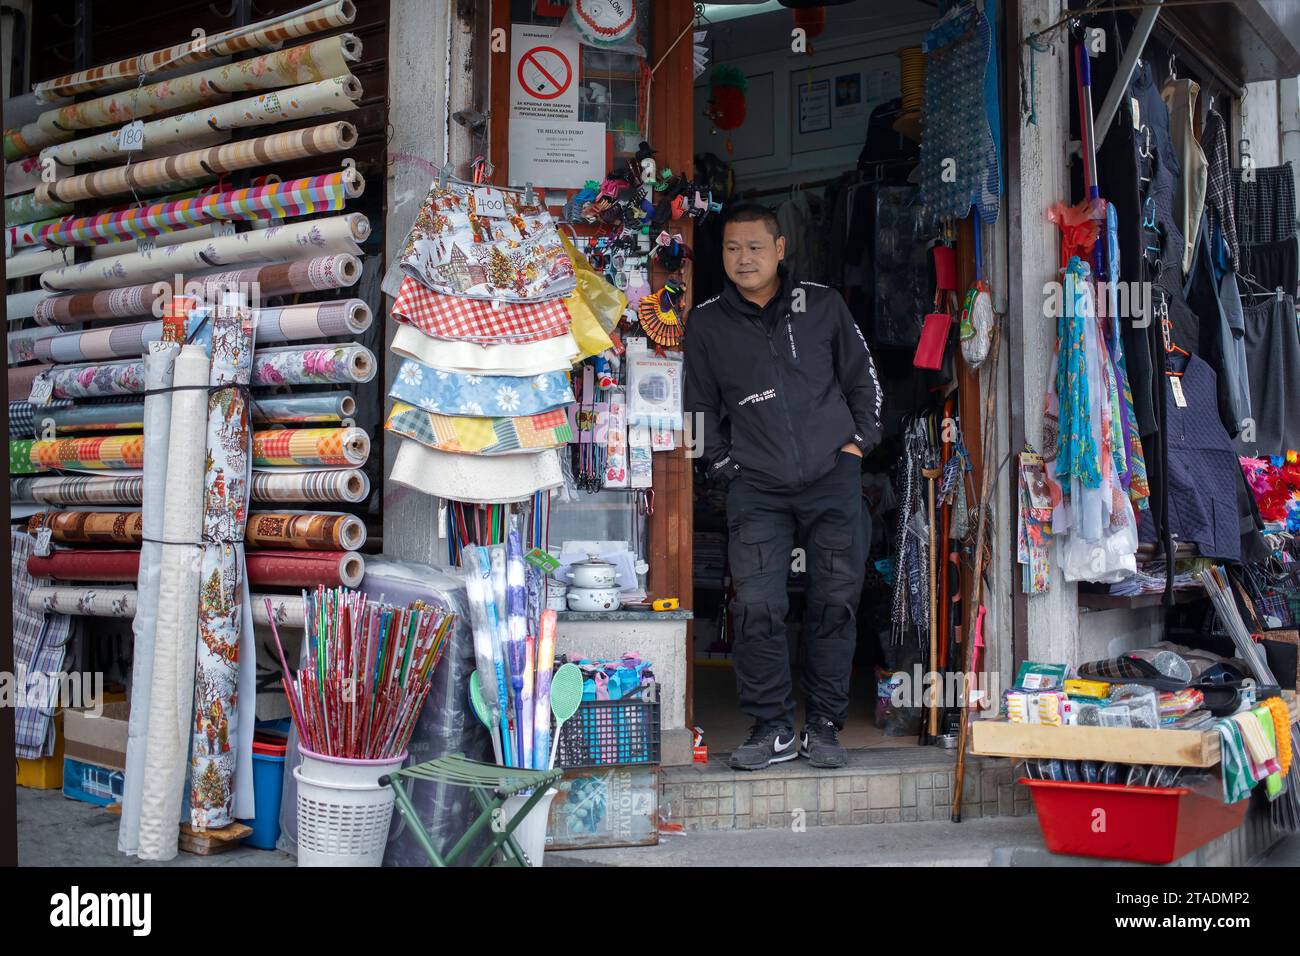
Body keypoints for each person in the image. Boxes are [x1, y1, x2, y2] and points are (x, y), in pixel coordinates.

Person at [685, 202, 882, 770]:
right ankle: (771, 726)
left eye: (753, 247)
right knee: (756, 605)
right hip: (758, 489)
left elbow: (863, 380)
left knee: (835, 603)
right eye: (730, 248)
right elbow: (698, 409)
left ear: (779, 249)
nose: (742, 259)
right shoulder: (708, 322)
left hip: (832, 479)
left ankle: (823, 724)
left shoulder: (821, 305)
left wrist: (858, 445)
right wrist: (725, 468)